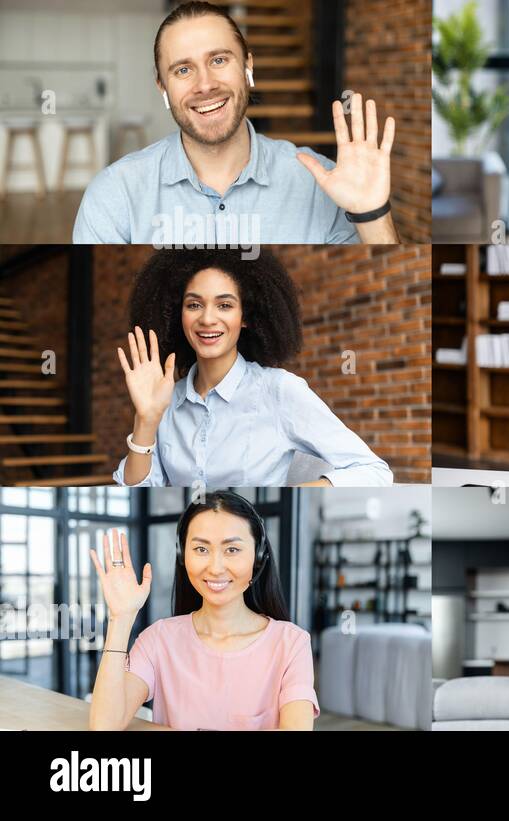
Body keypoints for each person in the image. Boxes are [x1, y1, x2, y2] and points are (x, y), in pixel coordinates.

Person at [73, 1, 398, 244]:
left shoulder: (321, 183)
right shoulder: (114, 194)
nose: (205, 84)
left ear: (247, 67)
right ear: (163, 87)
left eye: (218, 60)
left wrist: (371, 213)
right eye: (183, 70)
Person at [113, 249, 393, 486]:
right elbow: (139, 488)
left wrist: (297, 493)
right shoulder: (165, 400)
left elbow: (374, 471)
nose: (207, 318)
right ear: (179, 315)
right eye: (194, 304)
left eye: (224, 305)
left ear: (245, 317)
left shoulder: (279, 390)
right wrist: (147, 419)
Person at [88, 491, 318, 730]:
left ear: (258, 557)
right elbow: (105, 726)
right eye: (201, 549)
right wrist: (121, 617)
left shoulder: (291, 643)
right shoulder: (158, 640)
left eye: (232, 550)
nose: (216, 568)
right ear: (182, 555)